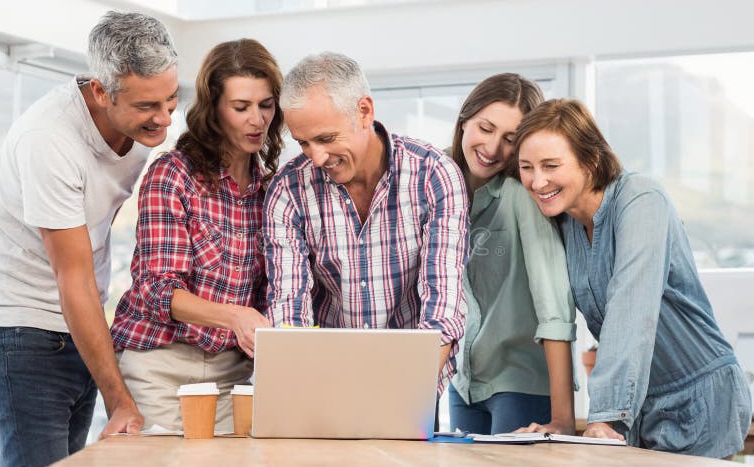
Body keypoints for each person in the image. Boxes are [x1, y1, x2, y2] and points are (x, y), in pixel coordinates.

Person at [0, 11, 178, 467]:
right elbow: (74, 279)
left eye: (171, 99)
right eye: (149, 105)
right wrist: (120, 401)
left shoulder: (140, 123)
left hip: (79, 326)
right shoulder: (50, 141)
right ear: (102, 92)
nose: (164, 118)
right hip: (20, 334)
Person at [514, 98, 752, 457]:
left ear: (591, 159)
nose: (537, 180)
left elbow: (631, 307)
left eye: (551, 165)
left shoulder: (641, 199)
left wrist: (605, 417)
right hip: (641, 405)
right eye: (527, 167)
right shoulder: (566, 222)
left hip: (700, 397)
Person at [262, 52, 469, 395]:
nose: (316, 158)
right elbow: (289, 308)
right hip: (322, 382)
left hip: (411, 377)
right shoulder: (289, 188)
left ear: (364, 111)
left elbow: (442, 306)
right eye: (303, 142)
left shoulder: (434, 175)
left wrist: (401, 395)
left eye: (327, 138)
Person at [111, 39, 282, 432]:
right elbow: (158, 291)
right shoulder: (172, 174)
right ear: (214, 110)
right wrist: (236, 316)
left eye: (266, 105)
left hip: (231, 373)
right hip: (160, 364)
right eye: (241, 107)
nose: (257, 120)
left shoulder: (272, 190)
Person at [447, 74, 577, 436]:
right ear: (464, 122)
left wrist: (564, 417)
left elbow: (554, 303)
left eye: (510, 139)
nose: (493, 147)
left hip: (521, 383)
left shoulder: (521, 195)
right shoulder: (440, 193)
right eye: (485, 128)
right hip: (464, 384)